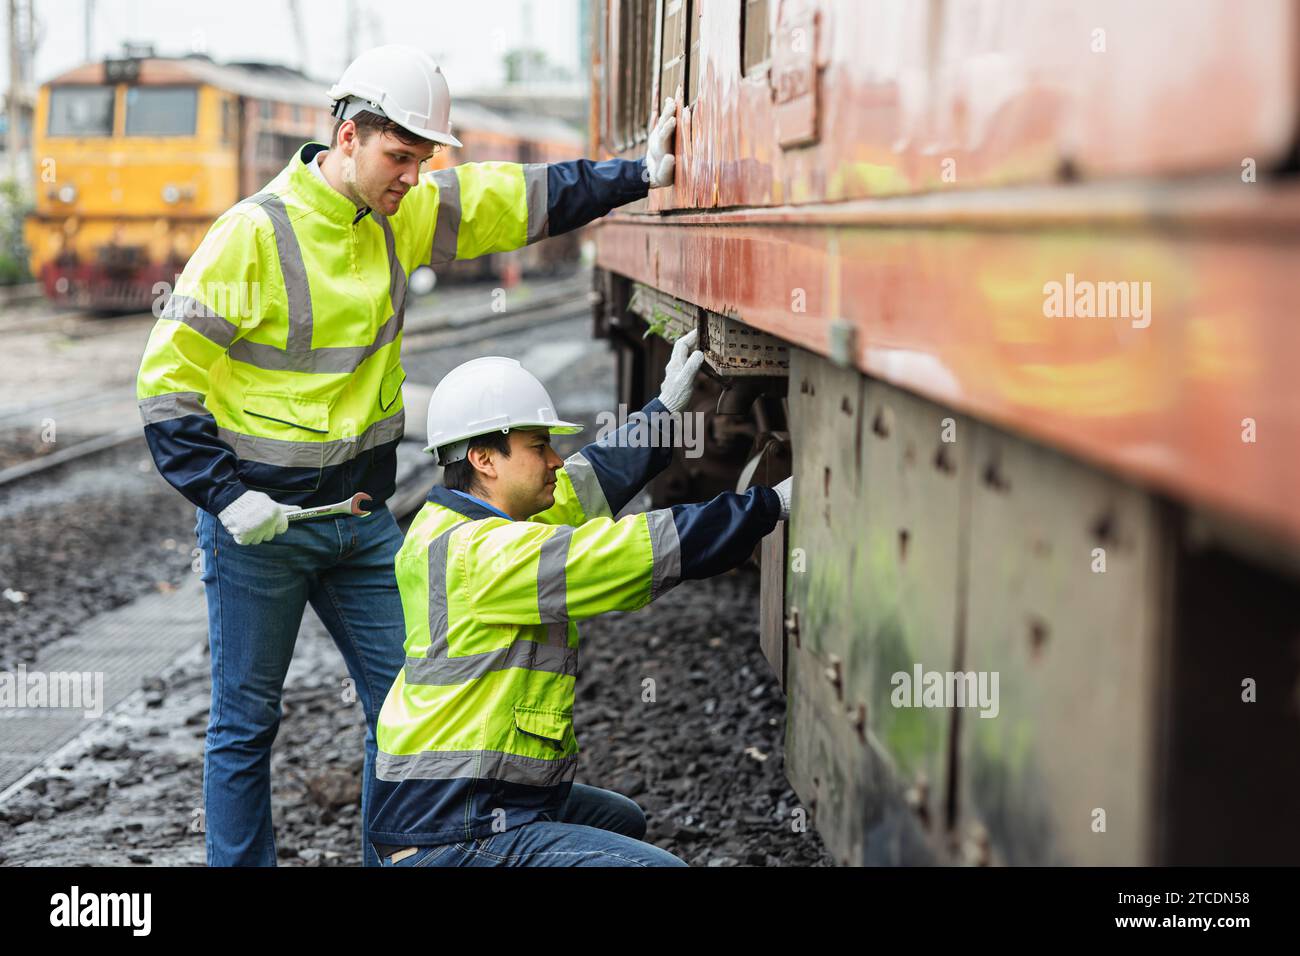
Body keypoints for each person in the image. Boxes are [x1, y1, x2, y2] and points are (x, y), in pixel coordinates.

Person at [134, 44, 680, 867]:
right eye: (400, 156)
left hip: (358, 521)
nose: (412, 177)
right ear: (348, 137)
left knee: (407, 708)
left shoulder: (407, 213)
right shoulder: (252, 236)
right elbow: (165, 382)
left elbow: (524, 198)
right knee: (245, 722)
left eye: (423, 161)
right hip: (259, 526)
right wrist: (223, 495)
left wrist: (638, 173)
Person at [368, 332, 794, 866]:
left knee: (622, 820)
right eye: (538, 446)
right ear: (484, 458)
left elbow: (583, 486)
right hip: (455, 826)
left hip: (461, 798)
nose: (554, 459)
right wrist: (767, 507)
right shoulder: (484, 555)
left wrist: (665, 412)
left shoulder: (455, 519)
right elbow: (629, 553)